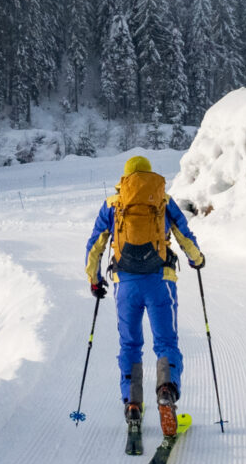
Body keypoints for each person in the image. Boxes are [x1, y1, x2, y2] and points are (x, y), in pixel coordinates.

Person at [86, 155, 205, 439]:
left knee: (129, 344)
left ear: (125, 178)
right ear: (149, 175)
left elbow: (95, 245)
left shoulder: (114, 203)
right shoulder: (162, 199)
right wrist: (196, 259)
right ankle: (166, 390)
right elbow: (183, 234)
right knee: (166, 341)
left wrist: (94, 279)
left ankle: (132, 404)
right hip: (160, 281)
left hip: (125, 284)